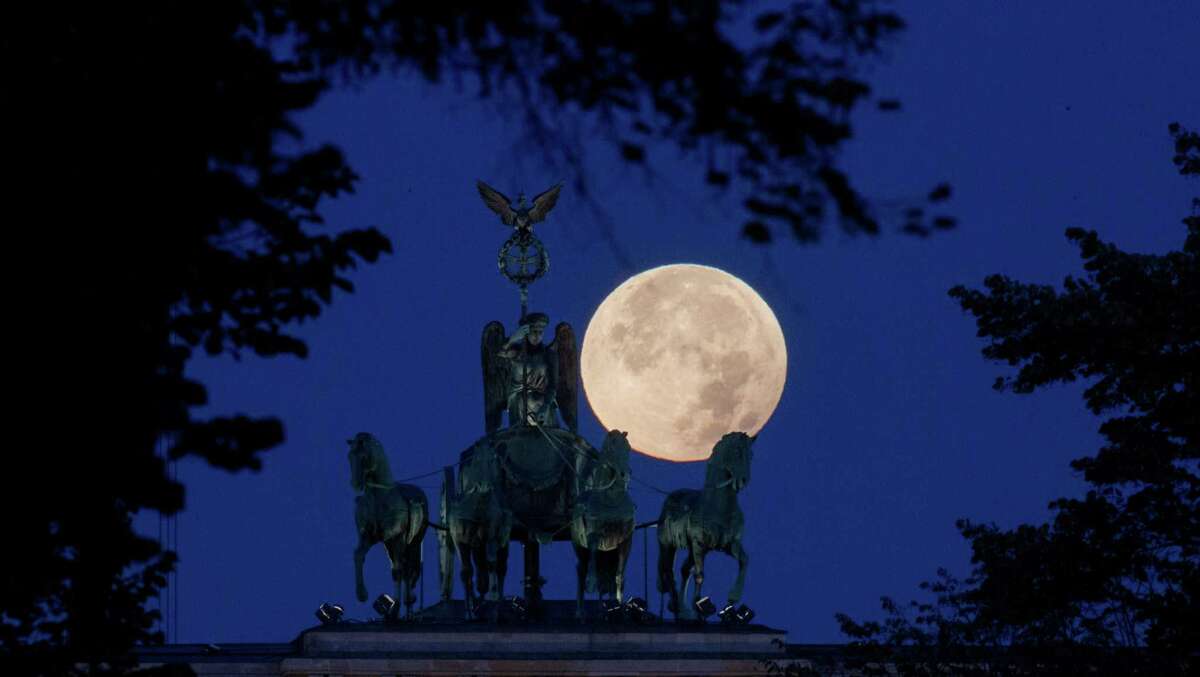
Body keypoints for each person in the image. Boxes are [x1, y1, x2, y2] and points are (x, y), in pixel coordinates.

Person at [498, 312, 560, 428]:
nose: (537, 336)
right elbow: (498, 353)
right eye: (533, 332)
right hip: (519, 404)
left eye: (540, 332)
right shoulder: (516, 352)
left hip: (543, 404)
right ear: (526, 333)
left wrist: (545, 407)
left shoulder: (549, 355)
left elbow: (553, 385)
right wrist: (513, 338)